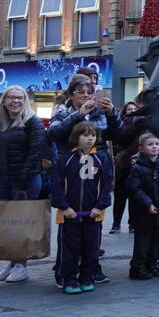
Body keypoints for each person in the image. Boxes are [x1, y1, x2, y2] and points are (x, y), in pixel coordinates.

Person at [0, 86, 49, 284]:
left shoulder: (33, 122)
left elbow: (35, 152)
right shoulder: (1, 124)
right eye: (11, 98)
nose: (16, 101)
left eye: (20, 98)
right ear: (4, 101)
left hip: (26, 179)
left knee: (22, 222)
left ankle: (22, 265)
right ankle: (12, 263)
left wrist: (23, 181)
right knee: (8, 222)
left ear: (25, 101)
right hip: (4, 178)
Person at [50, 121, 112, 294]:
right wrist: (64, 207)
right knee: (69, 249)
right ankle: (68, 279)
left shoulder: (102, 158)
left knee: (91, 249)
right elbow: (57, 186)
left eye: (93, 135)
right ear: (76, 138)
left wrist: (100, 206)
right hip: (70, 214)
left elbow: (107, 184)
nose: (90, 139)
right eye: (85, 135)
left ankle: (87, 277)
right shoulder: (65, 159)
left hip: (93, 214)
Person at [126, 132, 159, 279]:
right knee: (142, 241)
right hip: (143, 212)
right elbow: (134, 189)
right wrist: (147, 203)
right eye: (150, 144)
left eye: (157, 144)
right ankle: (138, 267)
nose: (154, 147)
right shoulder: (137, 167)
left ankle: (152, 264)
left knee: (157, 240)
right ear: (141, 149)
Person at [111, 100, 143, 235]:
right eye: (129, 109)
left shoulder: (141, 123)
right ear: (124, 111)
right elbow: (117, 141)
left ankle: (132, 224)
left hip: (135, 163)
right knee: (120, 196)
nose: (131, 110)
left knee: (134, 196)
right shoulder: (120, 124)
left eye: (134, 108)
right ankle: (116, 223)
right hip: (122, 163)